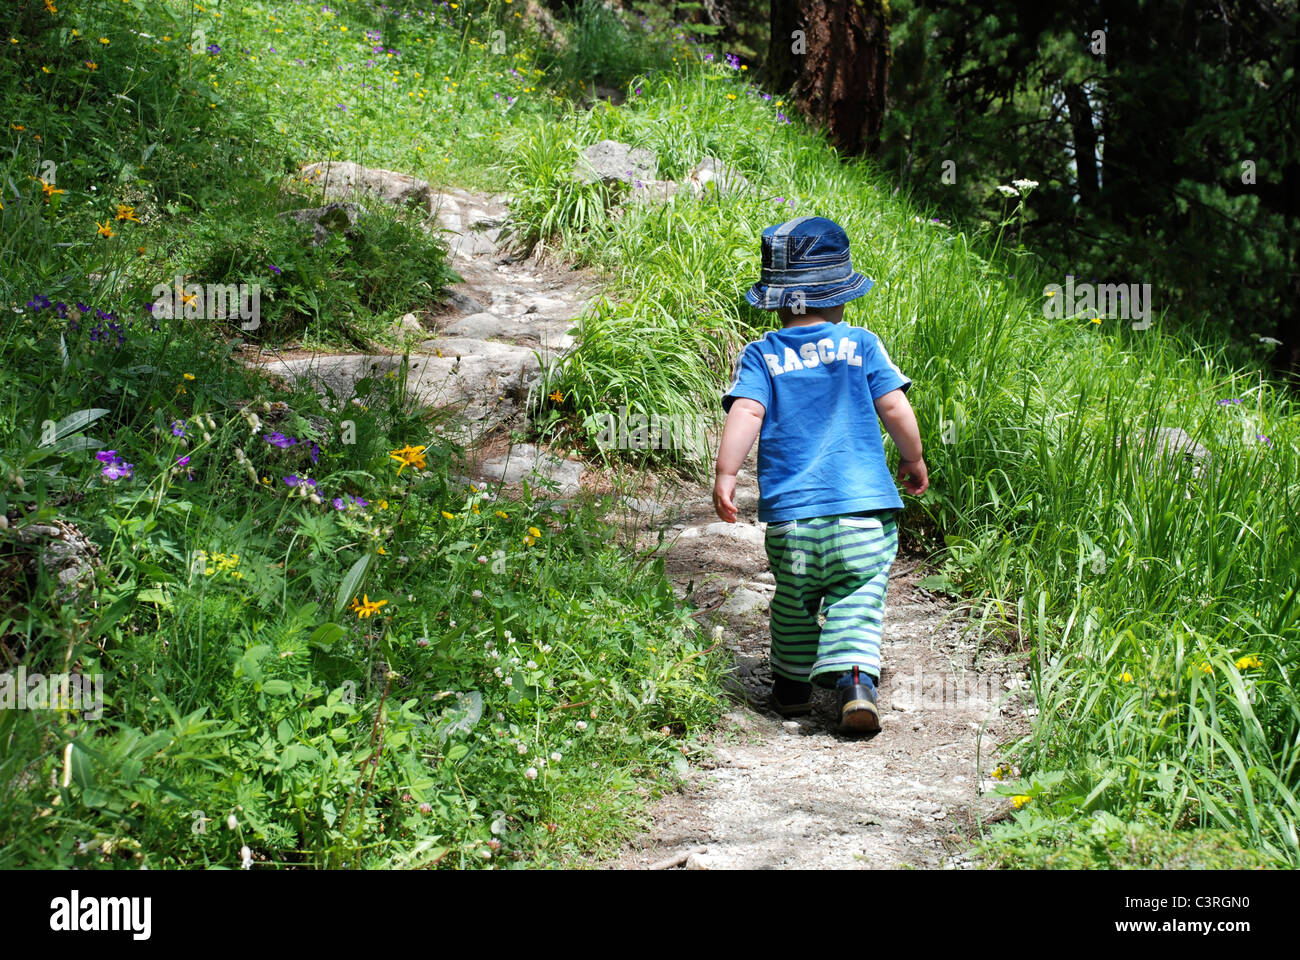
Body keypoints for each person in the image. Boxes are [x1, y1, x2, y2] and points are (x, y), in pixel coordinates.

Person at [713, 216, 929, 734]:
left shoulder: (762, 354)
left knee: (794, 598)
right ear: (840, 294)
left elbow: (746, 412)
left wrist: (726, 473)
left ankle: (791, 688)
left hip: (795, 524)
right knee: (857, 596)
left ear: (778, 299)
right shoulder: (862, 345)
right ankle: (856, 683)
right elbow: (895, 407)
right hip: (862, 515)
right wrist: (913, 459)